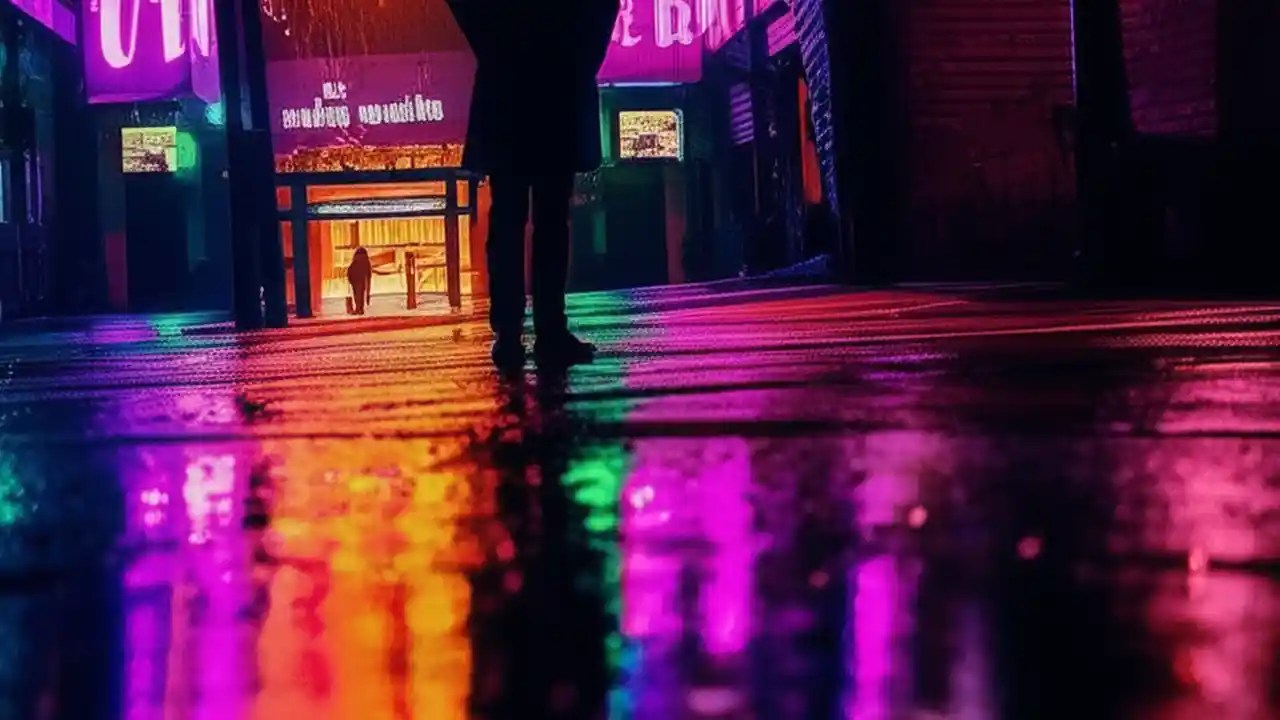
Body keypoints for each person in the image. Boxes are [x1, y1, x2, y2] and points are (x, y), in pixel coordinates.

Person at [447, 0, 619, 371]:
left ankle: (511, 332)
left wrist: (493, 47)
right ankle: (546, 329)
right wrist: (580, 59)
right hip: (558, 87)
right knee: (549, 219)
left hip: (510, 93)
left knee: (510, 220)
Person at [346, 247, 373, 315]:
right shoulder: (366, 261)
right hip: (361, 279)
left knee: (356, 294)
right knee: (360, 294)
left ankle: (358, 308)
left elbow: (350, 269)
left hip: (355, 279)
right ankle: (360, 309)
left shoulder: (356, 259)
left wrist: (349, 279)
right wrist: (368, 295)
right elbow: (368, 275)